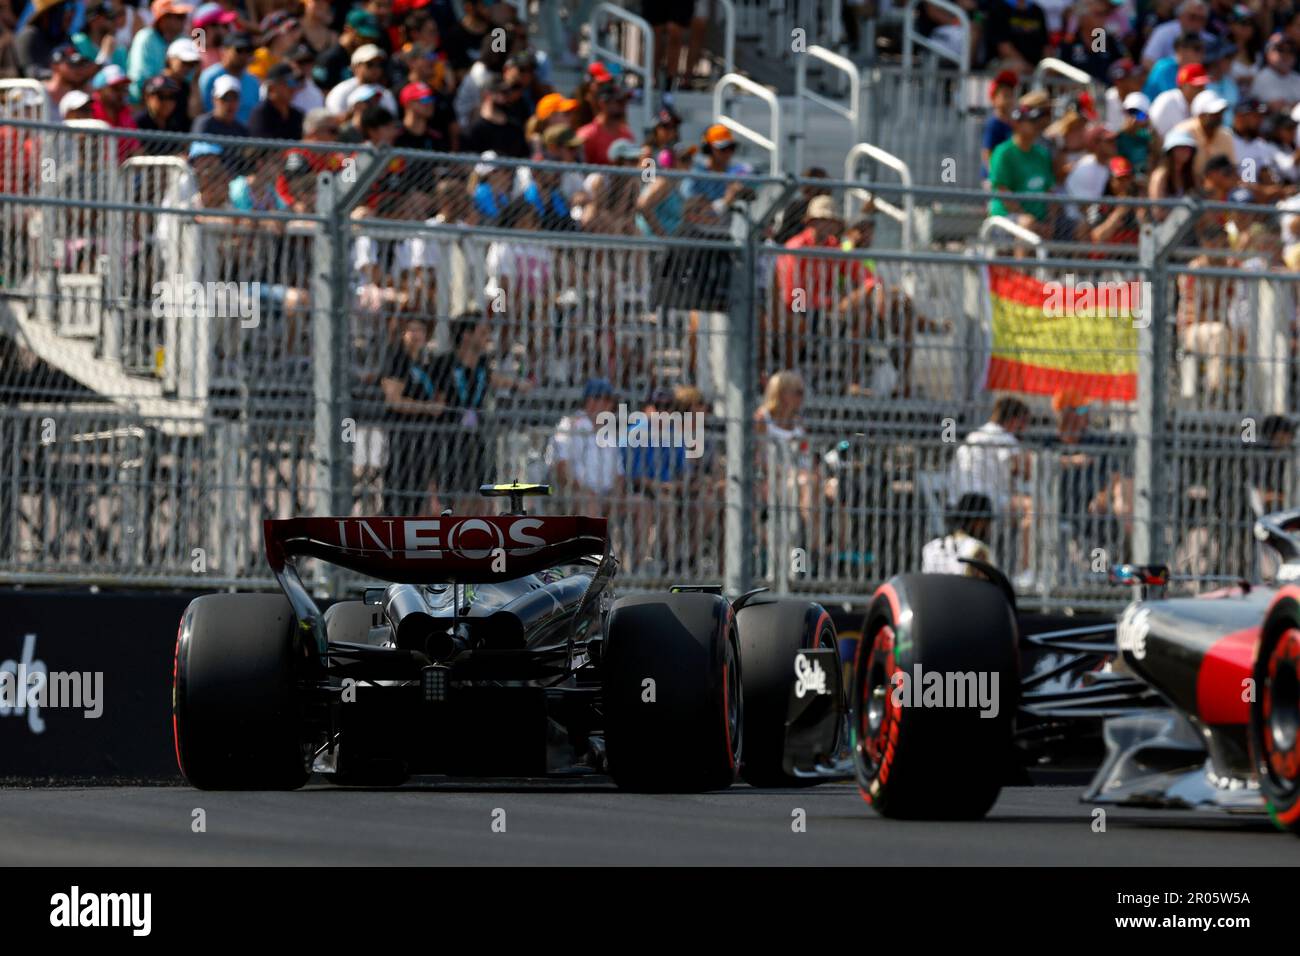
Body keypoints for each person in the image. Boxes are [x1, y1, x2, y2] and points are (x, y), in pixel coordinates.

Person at [380, 315, 440, 516]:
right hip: (402, 436)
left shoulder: (426, 362)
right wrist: (426, 408)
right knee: (400, 491)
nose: (416, 335)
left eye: (420, 330)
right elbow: (394, 399)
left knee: (417, 491)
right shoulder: (397, 358)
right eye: (410, 330)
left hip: (423, 438)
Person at [547, 377, 624, 516]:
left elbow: (619, 473)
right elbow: (562, 467)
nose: (610, 405)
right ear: (590, 401)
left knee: (641, 504)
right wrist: (582, 489)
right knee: (589, 503)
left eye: (610, 400)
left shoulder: (610, 432)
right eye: (605, 399)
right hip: (575, 492)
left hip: (608, 495)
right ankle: (592, 537)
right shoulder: (568, 425)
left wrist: (616, 494)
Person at [988, 104, 1055, 235]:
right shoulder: (1003, 153)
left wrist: (1050, 221)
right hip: (1005, 220)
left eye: (1036, 121)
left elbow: (1049, 191)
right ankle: (1021, 256)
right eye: (1030, 121)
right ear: (1016, 124)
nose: (1036, 125)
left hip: (1041, 219)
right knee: (1027, 224)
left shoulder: (1042, 154)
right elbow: (1003, 193)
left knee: (1079, 226)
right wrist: (1031, 221)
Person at [127, 0, 192, 104]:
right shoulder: (145, 38)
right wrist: (169, 76)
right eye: (179, 17)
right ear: (163, 19)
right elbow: (139, 83)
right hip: (144, 104)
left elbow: (191, 77)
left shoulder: (183, 39)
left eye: (184, 16)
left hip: (175, 102)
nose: (184, 20)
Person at [921, 493, 995, 577]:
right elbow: (986, 586)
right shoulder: (978, 549)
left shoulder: (931, 546)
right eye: (987, 521)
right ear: (976, 522)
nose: (989, 528)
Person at [198, 31, 261, 125]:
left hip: (246, 137)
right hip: (215, 135)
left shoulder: (253, 82)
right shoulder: (209, 77)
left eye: (248, 51)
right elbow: (202, 110)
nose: (244, 55)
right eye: (239, 50)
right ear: (224, 51)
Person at [461, 72, 527, 157]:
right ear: (487, 95)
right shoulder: (474, 127)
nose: (506, 96)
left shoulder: (515, 128)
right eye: (502, 92)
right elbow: (466, 162)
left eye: (507, 92)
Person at [577, 79, 634, 165]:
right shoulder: (587, 135)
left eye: (625, 102)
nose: (623, 106)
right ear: (603, 103)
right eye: (619, 102)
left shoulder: (627, 134)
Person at [1149, 61, 1209, 136]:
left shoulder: (1197, 103)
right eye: (1196, 86)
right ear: (1182, 86)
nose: (1201, 90)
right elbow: (1183, 137)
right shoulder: (1168, 101)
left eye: (1203, 86)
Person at [248, 62, 305, 140]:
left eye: (295, 82)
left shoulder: (297, 115)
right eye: (288, 83)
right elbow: (261, 149)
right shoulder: (261, 114)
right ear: (271, 88)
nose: (293, 88)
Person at [982, 69, 1018, 173]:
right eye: (1005, 96)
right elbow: (987, 152)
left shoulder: (1012, 123)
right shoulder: (994, 124)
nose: (1009, 100)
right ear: (993, 99)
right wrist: (993, 175)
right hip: (996, 177)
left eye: (1011, 95)